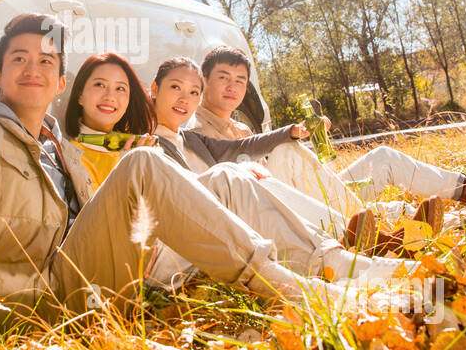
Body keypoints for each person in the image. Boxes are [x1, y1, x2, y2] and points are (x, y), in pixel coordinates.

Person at [0, 0, 385, 329]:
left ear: (60, 82)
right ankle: (288, 289)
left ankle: (341, 265)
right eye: (19, 60)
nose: (33, 68)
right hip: (30, 303)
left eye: (46, 61)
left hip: (89, 275)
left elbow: (95, 217)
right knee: (145, 165)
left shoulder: (57, 146)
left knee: (228, 179)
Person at [60, 51, 420, 286]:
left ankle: (339, 258)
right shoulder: (74, 150)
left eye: (121, 89)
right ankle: (336, 253)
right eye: (100, 86)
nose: (111, 96)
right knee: (231, 176)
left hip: (175, 238)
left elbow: (238, 147)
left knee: (240, 172)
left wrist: (290, 134)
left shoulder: (134, 142)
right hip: (142, 260)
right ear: (77, 94)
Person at [190, 46, 466, 224]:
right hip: (297, 212)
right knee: (382, 213)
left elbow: (294, 169)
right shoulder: (196, 133)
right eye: (223, 78)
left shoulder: (243, 128)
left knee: (383, 157)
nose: (233, 87)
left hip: (319, 194)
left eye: (240, 80)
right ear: (203, 82)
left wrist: (308, 142)